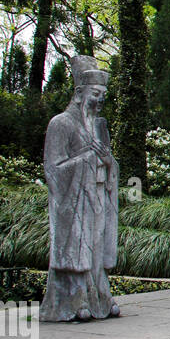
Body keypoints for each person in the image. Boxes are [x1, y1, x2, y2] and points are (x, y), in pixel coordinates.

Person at [41, 56, 120, 321]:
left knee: (96, 246)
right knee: (80, 246)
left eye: (103, 95)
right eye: (95, 94)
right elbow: (53, 169)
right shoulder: (60, 123)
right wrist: (87, 158)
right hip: (74, 199)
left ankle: (100, 296)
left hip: (97, 194)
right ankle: (73, 300)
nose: (100, 100)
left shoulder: (98, 125)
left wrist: (108, 161)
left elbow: (109, 163)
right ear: (79, 93)